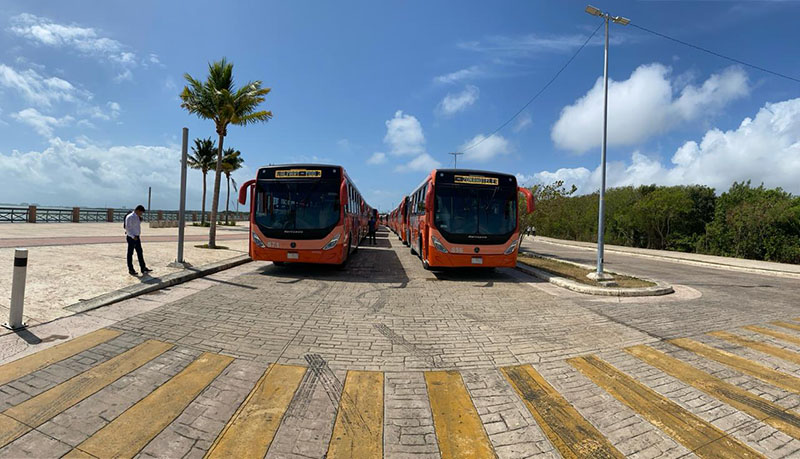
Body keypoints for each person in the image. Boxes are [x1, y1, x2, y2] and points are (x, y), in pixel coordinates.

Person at [125, 205, 152, 276]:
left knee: (140, 252)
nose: (141, 214)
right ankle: (131, 269)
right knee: (130, 253)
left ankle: (143, 268)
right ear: (138, 210)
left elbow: (136, 226)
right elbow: (127, 228)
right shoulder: (130, 217)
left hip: (137, 237)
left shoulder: (137, 217)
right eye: (141, 212)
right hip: (131, 237)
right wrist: (132, 236)